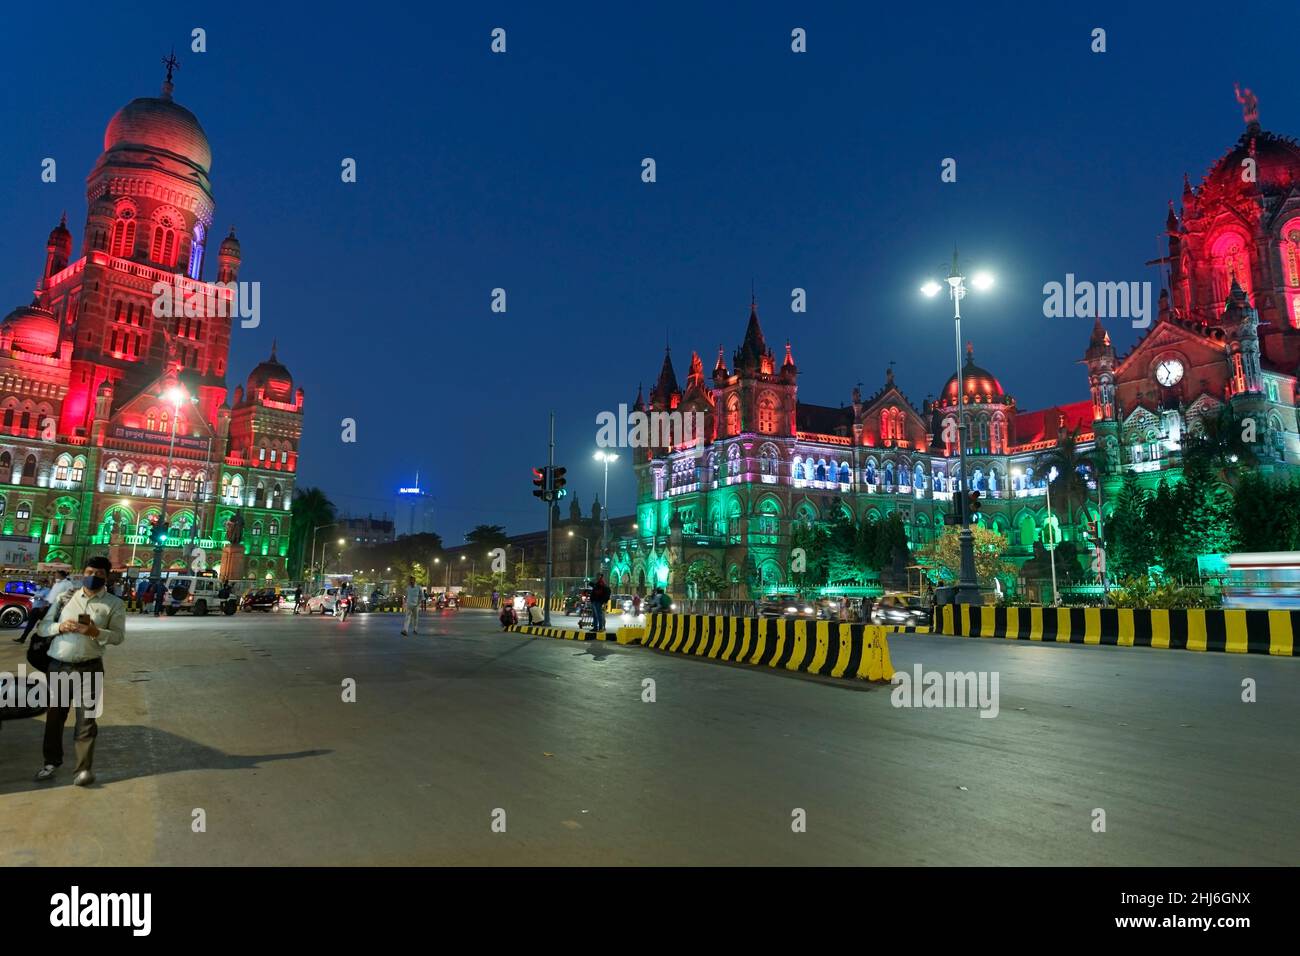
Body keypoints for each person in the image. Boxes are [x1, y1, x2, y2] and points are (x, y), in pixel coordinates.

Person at [34, 556, 126, 787]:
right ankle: (51, 762)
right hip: (59, 666)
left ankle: (83, 769)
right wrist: (59, 626)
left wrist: (96, 632)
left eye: (99, 574)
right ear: (82, 572)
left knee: (86, 721)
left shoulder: (114, 604)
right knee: (55, 718)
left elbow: (118, 637)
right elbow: (43, 627)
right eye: (89, 571)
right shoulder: (66, 598)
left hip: (90, 667)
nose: (93, 577)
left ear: (107, 576)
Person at [13, 576, 51, 644]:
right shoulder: (37, 589)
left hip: (41, 610)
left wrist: (42, 606)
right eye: (38, 582)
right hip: (34, 609)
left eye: (41, 582)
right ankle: (22, 638)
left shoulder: (47, 590)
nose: (39, 584)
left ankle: (47, 640)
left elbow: (48, 600)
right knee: (30, 625)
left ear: (45, 583)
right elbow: (34, 596)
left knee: (44, 625)